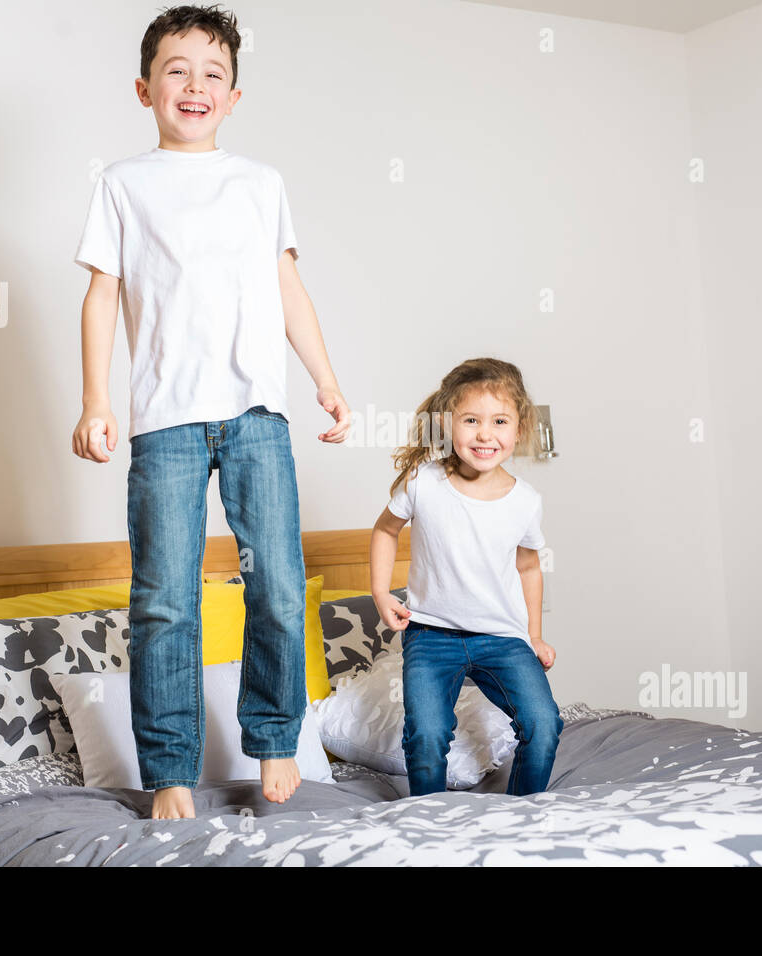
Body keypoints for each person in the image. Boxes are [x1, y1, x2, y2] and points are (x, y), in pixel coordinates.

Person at [70, 4, 350, 819]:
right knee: (166, 597)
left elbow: (287, 290)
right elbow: (100, 297)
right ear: (145, 87)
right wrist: (95, 400)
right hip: (165, 421)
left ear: (233, 96)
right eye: (176, 71)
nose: (195, 85)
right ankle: (167, 771)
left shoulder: (260, 184)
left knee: (278, 584)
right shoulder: (121, 184)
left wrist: (326, 378)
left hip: (258, 411)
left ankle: (273, 741)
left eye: (213, 74)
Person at [370, 358, 563, 797]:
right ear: (446, 425)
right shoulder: (422, 481)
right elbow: (385, 530)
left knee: (543, 723)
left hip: (502, 636)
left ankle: (521, 814)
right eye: (471, 420)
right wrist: (381, 592)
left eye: (499, 421)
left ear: (518, 429)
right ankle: (429, 818)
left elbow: (529, 568)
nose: (484, 434)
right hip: (431, 634)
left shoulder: (526, 502)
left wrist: (534, 636)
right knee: (427, 734)